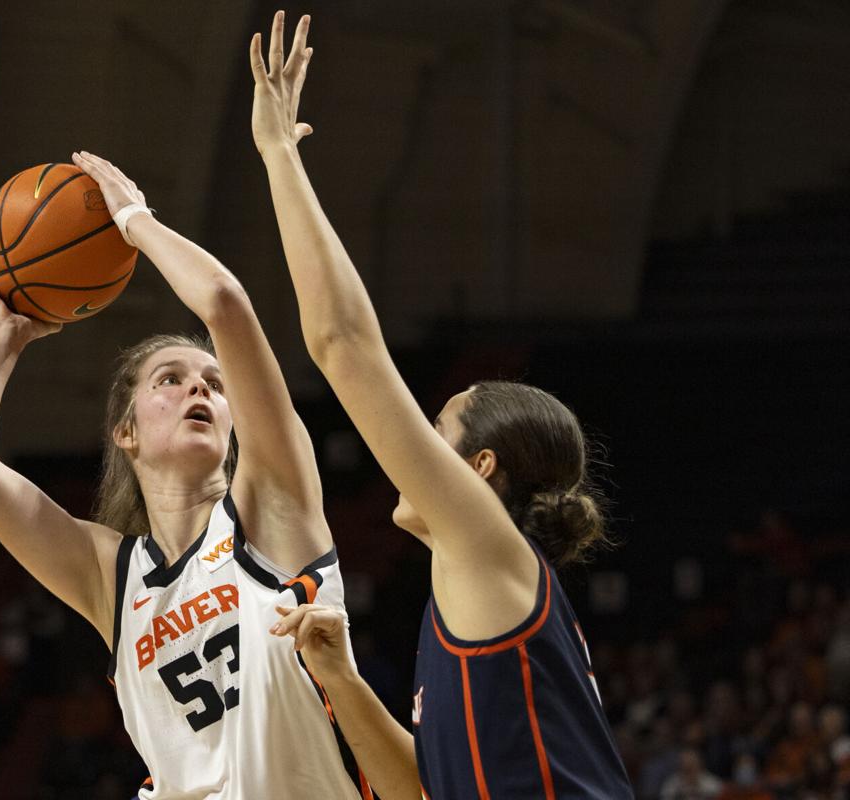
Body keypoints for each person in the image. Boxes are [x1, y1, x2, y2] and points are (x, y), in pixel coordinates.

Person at [251, 11, 634, 799]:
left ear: (479, 466)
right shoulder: (468, 590)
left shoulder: (487, 552)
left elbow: (343, 346)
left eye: (436, 428)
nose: (413, 446)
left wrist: (281, 155)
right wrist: (340, 678)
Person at [0, 153, 371, 797]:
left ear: (230, 425)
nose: (199, 386)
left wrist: (135, 220)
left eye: (214, 385)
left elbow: (224, 303)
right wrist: (3, 337)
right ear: (126, 431)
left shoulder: (274, 504)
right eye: (171, 379)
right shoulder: (110, 574)